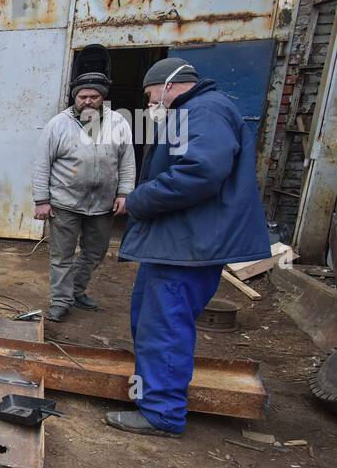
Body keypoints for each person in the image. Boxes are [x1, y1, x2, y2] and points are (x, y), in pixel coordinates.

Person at [107, 58, 271, 438]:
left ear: (168, 86)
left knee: (165, 326)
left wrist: (139, 199)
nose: (150, 105)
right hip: (177, 243)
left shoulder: (205, 110)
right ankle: (150, 393)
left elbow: (200, 172)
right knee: (149, 320)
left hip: (188, 245)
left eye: (150, 96)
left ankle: (162, 413)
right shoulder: (195, 111)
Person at [32, 72, 135, 322]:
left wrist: (125, 193)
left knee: (95, 252)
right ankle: (60, 301)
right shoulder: (58, 124)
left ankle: (75, 291)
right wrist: (41, 200)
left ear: (103, 98)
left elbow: (127, 161)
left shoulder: (118, 122)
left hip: (102, 204)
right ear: (74, 97)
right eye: (82, 96)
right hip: (65, 202)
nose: (87, 101)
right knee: (62, 255)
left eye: (94, 96)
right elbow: (41, 163)